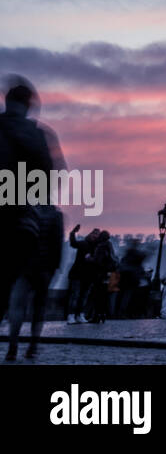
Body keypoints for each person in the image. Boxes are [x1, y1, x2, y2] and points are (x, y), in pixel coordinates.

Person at [1, 79, 64, 360]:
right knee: (11, 291)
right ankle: (25, 344)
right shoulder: (39, 135)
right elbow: (53, 174)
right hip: (19, 224)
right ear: (29, 106)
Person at [65, 225, 97, 323]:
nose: (95, 237)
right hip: (78, 274)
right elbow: (73, 243)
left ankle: (79, 315)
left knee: (83, 296)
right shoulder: (84, 244)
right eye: (94, 234)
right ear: (90, 235)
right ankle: (71, 315)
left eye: (96, 235)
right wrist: (73, 233)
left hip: (88, 276)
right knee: (76, 295)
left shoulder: (96, 247)